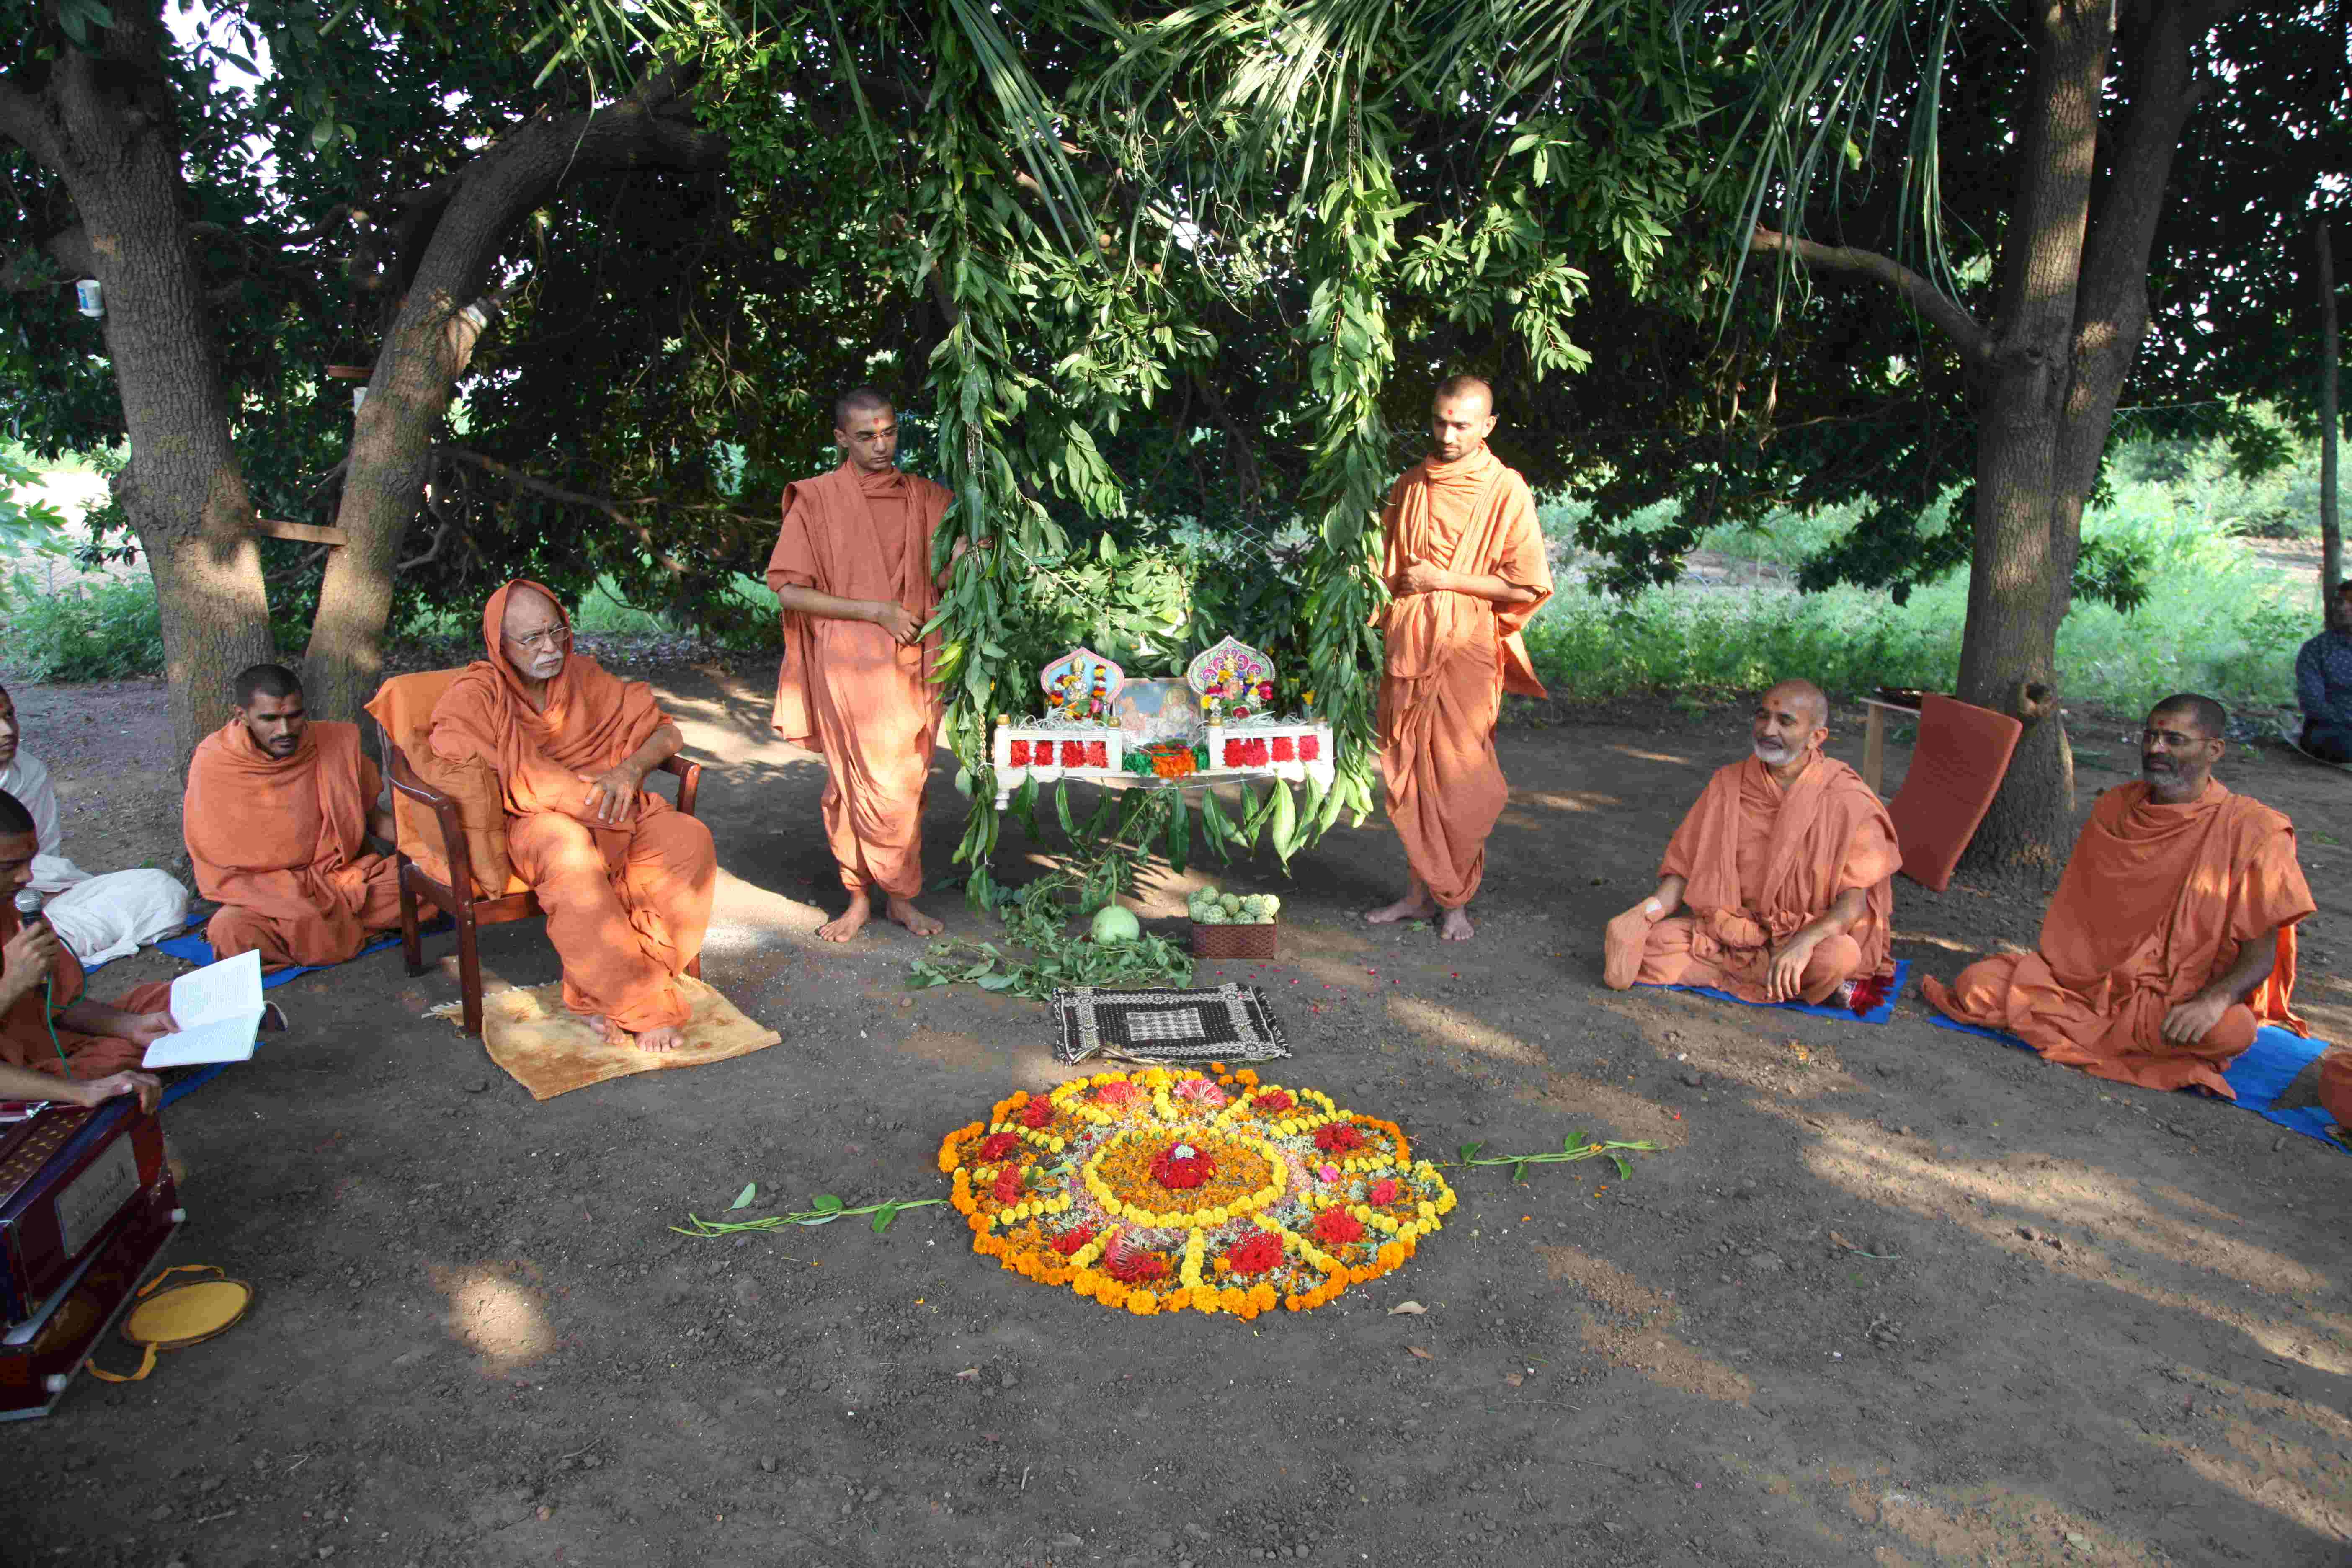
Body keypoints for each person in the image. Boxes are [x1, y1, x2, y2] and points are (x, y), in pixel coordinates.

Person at [1923, 694, 2315, 1095]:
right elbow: (2081, 923)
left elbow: (2260, 955)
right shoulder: (2116, 807)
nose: (2155, 749)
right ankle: (2132, 1046)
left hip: (2170, 1001)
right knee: (1977, 983)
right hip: (2081, 987)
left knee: (2233, 1030)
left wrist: (2212, 1002)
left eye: (2174, 741)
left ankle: (2102, 1034)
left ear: (2214, 750)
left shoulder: (2254, 830)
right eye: (2150, 736)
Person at [429, 580, 715, 1053]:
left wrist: (628, 770)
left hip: (613, 803)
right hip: (532, 820)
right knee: (569, 855)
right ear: (500, 645)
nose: (550, 648)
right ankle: (642, 1007)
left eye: (556, 631)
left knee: (688, 838)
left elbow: (667, 734)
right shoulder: (477, 695)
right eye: (532, 639)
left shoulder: (583, 677)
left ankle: (611, 989)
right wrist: (577, 799)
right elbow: (450, 750)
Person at [766, 386, 984, 942]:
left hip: (915, 661)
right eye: (866, 436)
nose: (882, 444)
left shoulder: (928, 498)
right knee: (852, 780)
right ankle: (857, 898)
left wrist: (965, 558)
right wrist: (873, 610)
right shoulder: (816, 501)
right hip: (847, 666)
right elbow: (790, 591)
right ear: (841, 439)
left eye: (889, 431)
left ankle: (901, 897)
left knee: (907, 779)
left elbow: (941, 580)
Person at [1362, 375, 1554, 941]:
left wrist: (1445, 578)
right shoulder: (1411, 486)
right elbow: (1385, 572)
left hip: (1466, 651)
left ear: (1488, 426)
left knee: (1458, 776)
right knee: (1410, 773)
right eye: (1441, 421)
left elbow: (1527, 588)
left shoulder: (1506, 491)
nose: (1448, 435)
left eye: (1462, 424)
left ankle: (1457, 904)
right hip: (1408, 646)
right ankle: (1419, 895)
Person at [1603, 679, 1901, 1006]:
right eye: (1762, 717)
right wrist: (1645, 914)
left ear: (1817, 737)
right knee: (1652, 941)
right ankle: (1791, 983)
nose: (1768, 729)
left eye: (1785, 721)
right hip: (1726, 935)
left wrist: (1803, 943)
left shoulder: (1846, 800)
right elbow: (1683, 871)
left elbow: (1852, 906)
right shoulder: (1728, 784)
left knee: (1840, 956)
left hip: (1801, 938)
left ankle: (1786, 973)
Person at [183, 664, 403, 969]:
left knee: (421, 880)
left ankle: (312, 938)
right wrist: (286, 894)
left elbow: (374, 820)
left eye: (294, 716)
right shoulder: (215, 761)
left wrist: (435, 847)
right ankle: (346, 932)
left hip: (340, 880)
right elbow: (213, 854)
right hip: (266, 894)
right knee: (231, 931)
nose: (285, 730)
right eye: (270, 719)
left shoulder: (335, 743)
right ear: (242, 715)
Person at [0, 787, 168, 1109]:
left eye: (30, 860)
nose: (28, 876)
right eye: (10, 867)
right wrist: (82, 1091)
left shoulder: (15, 909)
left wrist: (130, 1027)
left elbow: (57, 1003)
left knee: (164, 1007)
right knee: (110, 1065)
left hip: (46, 1045)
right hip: (13, 1071)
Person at [0, 683, 189, 965]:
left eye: (10, 716)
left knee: (162, 891)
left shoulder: (28, 773)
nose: (7, 731)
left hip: (30, 900)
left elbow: (38, 861)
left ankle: (38, 949)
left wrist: (46, 894)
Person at [2294, 580, 2352, 762]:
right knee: (2335, 742)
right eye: (2339, 601)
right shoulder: (2316, 649)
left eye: (2350, 602)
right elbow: (2313, 703)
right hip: (2331, 728)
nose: (2342, 607)